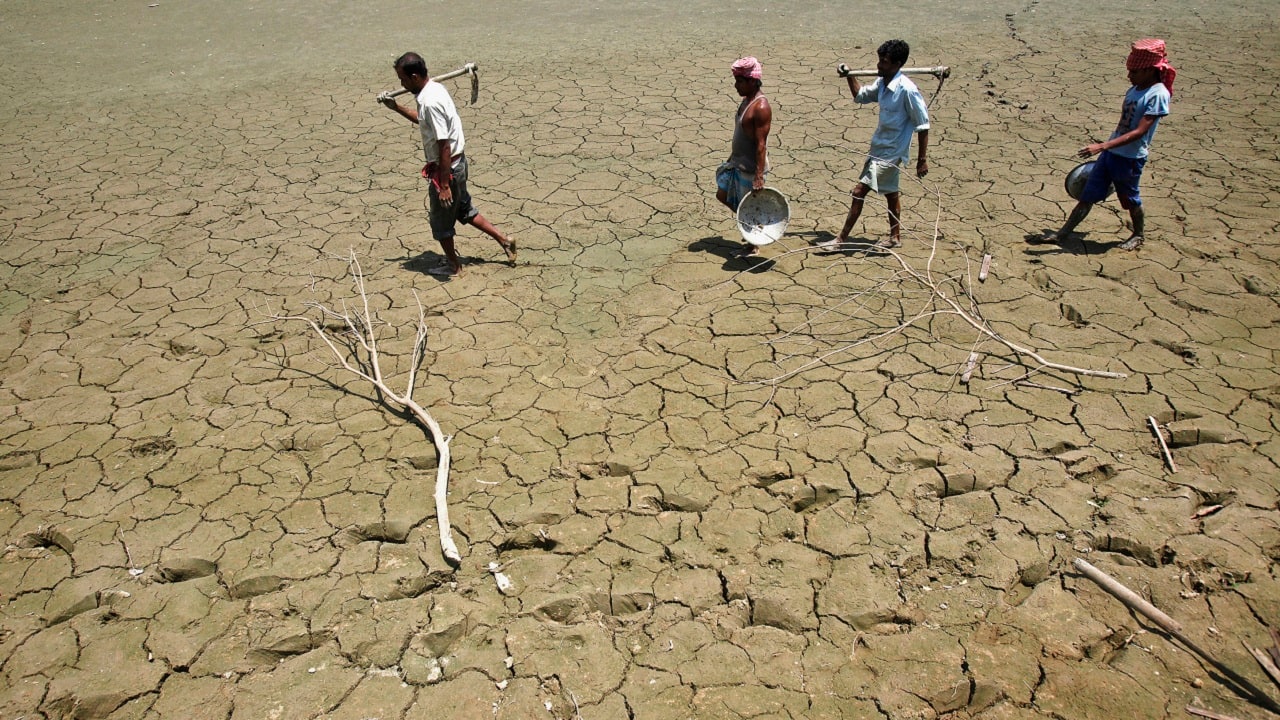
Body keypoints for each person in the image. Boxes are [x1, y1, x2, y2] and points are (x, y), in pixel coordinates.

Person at [382, 52, 516, 277]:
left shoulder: (430, 101)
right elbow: (423, 121)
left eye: (403, 79)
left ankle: (454, 266)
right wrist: (396, 107)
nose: (401, 84)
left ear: (414, 77)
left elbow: (443, 145)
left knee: (440, 222)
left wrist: (443, 184)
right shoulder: (433, 89)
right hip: (458, 163)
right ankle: (505, 240)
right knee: (463, 209)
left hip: (449, 168)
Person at [1033, 39, 1175, 251]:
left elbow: (1140, 131)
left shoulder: (1158, 94)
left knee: (1130, 198)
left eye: (1134, 72)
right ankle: (1062, 234)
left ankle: (1138, 234)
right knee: (1088, 194)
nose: (1129, 76)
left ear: (1149, 70)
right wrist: (1107, 148)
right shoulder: (1135, 89)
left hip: (1130, 158)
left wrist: (1102, 146)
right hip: (1111, 154)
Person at [819, 39, 929, 251]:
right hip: (878, 149)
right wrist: (849, 76)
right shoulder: (882, 84)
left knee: (859, 191)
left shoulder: (907, 90)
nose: (879, 65)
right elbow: (860, 96)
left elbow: (923, 126)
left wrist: (921, 161)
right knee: (891, 194)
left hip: (892, 153)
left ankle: (841, 239)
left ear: (897, 64)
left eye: (884, 62)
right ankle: (895, 237)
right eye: (879, 60)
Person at [715, 56, 773, 259]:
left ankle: (753, 244)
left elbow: (761, 144)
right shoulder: (746, 101)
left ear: (752, 81)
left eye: (740, 81)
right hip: (737, 163)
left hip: (750, 168)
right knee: (722, 195)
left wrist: (759, 176)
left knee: (746, 206)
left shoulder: (761, 107)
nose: (736, 85)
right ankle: (752, 226)